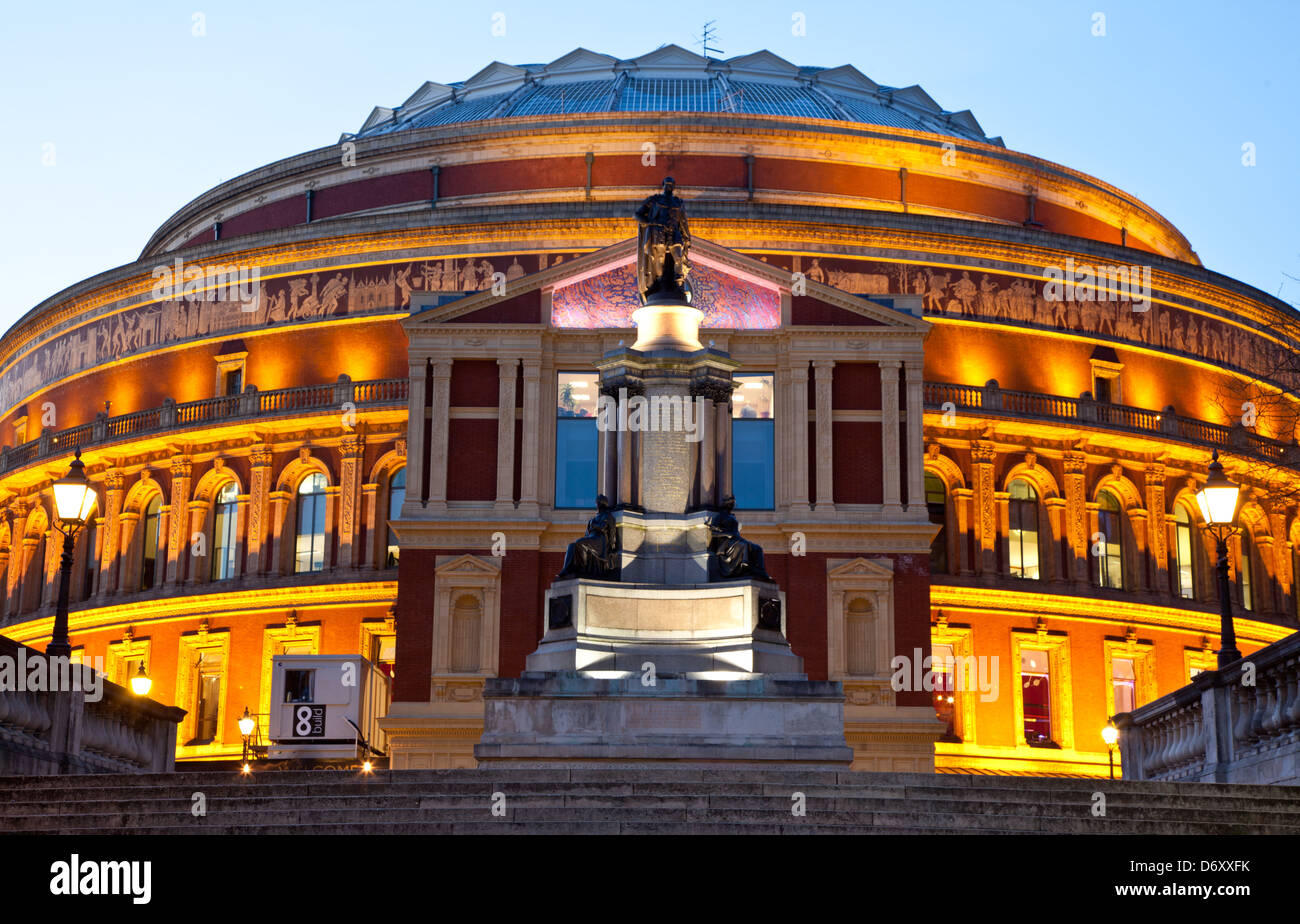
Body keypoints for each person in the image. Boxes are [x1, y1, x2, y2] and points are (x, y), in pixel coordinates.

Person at [708, 495, 772, 582]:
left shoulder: (732, 516)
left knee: (758, 548)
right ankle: (744, 565)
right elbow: (714, 533)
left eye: (733, 504)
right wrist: (727, 534)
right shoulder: (720, 516)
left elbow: (736, 533)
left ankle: (761, 571)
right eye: (731, 503)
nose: (733, 506)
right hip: (726, 542)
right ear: (726, 504)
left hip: (737, 539)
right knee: (743, 546)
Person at [557, 495, 619, 579]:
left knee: (580, 543)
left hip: (600, 540)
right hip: (591, 538)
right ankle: (567, 569)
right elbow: (587, 534)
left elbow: (610, 533)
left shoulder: (607, 516)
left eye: (597, 503)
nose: (596, 505)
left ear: (601, 504)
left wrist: (612, 549)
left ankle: (582, 568)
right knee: (571, 545)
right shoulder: (593, 519)